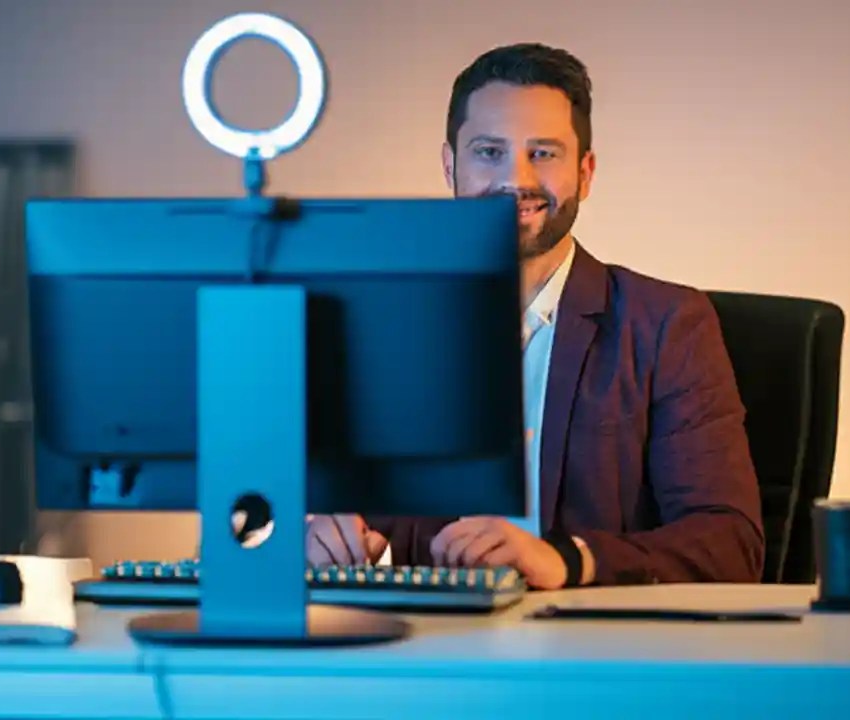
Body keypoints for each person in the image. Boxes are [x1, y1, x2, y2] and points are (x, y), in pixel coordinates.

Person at [305, 42, 764, 589]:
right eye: (489, 151)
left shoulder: (667, 326)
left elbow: (730, 545)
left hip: (589, 638)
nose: (516, 179)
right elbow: (282, 509)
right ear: (450, 166)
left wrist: (568, 560)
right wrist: (315, 536)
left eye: (543, 153)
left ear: (585, 173)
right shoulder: (379, 330)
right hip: (425, 637)